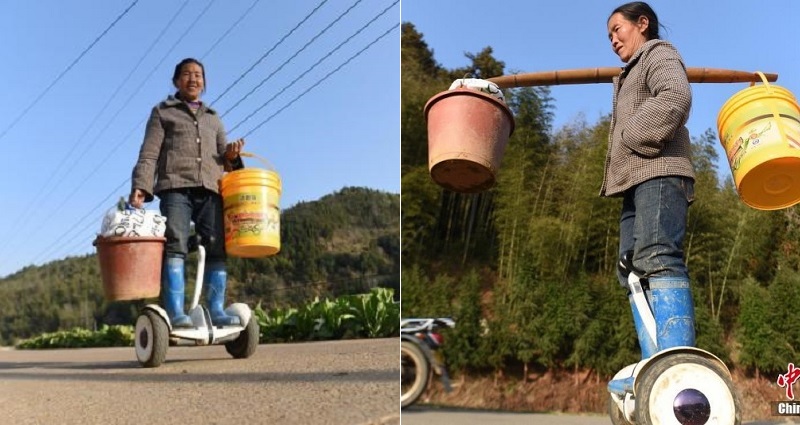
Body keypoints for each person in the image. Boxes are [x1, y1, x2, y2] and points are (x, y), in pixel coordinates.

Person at [603, 2, 696, 359]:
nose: (612, 39)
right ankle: (655, 360)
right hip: (634, 183)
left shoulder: (658, 52)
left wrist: (630, 135)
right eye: (608, 35)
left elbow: (676, 95)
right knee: (630, 271)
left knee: (657, 256)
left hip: (660, 172)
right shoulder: (630, 71)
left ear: (642, 23)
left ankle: (676, 361)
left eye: (617, 29)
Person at [129, 57, 244, 328]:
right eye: (187, 74)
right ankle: (177, 313)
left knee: (217, 246)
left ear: (204, 83)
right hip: (174, 187)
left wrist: (231, 156)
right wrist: (140, 187)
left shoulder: (214, 119)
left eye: (199, 75)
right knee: (176, 243)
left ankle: (216, 309)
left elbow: (225, 159)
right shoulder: (162, 112)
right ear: (176, 81)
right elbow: (149, 153)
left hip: (210, 189)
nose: (194, 79)